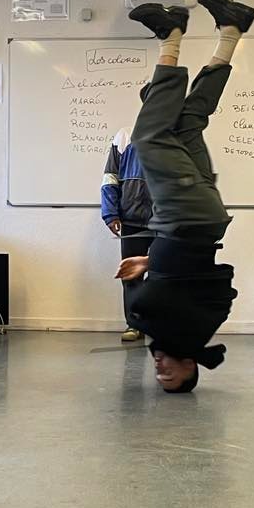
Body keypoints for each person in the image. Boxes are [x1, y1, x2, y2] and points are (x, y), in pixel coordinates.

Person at [116, 0, 254, 393]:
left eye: (161, 377)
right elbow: (146, 306)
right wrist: (154, 268)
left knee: (187, 123)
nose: (161, 371)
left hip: (197, 220)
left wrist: (150, 261)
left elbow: (190, 277)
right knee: (147, 136)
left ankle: (231, 30)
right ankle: (170, 37)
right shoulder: (184, 331)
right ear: (190, 366)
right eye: (173, 377)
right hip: (186, 215)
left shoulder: (188, 330)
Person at [101, 125, 153, 344]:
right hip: (131, 219)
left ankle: (161, 323)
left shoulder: (175, 133)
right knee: (131, 274)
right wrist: (110, 213)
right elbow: (110, 178)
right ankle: (134, 324)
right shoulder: (124, 137)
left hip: (165, 220)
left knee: (166, 272)